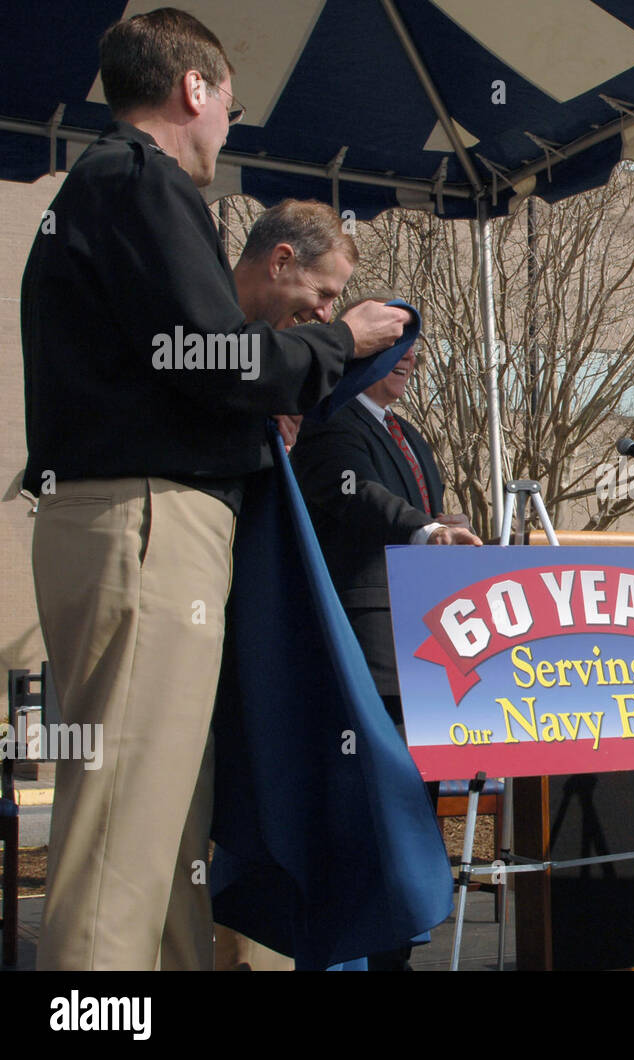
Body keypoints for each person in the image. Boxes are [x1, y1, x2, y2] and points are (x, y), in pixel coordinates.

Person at [21, 8, 410, 971]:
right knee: (124, 838)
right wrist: (340, 341)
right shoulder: (142, 182)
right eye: (230, 106)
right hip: (146, 524)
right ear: (194, 89)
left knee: (158, 832)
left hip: (125, 522)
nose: (229, 128)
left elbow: (181, 364)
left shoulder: (104, 190)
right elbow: (219, 360)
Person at [291, 295, 480, 968]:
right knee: (367, 815)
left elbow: (421, 508)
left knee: (411, 812)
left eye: (416, 358)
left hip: (421, 648)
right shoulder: (333, 424)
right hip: (371, 650)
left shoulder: (410, 435)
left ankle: (398, 942)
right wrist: (422, 528)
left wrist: (444, 527)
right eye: (399, 354)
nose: (408, 367)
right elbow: (354, 495)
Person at [213, 197, 365, 972]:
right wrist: (345, 338)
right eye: (323, 294)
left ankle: (257, 950)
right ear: (280, 262)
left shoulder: (265, 354)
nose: (325, 313)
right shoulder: (205, 327)